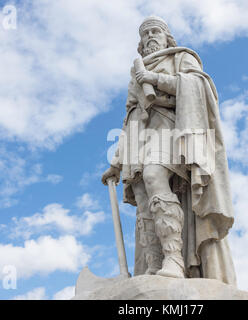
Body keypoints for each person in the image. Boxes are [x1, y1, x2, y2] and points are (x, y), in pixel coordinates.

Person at [102, 16, 237, 285]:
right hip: (139, 136)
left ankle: (174, 259)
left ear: (166, 37)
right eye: (145, 33)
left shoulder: (181, 57)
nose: (150, 36)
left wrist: (152, 78)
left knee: (154, 176)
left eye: (155, 31)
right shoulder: (135, 72)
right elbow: (130, 116)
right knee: (142, 196)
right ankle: (153, 266)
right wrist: (116, 163)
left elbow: (198, 87)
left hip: (170, 129)